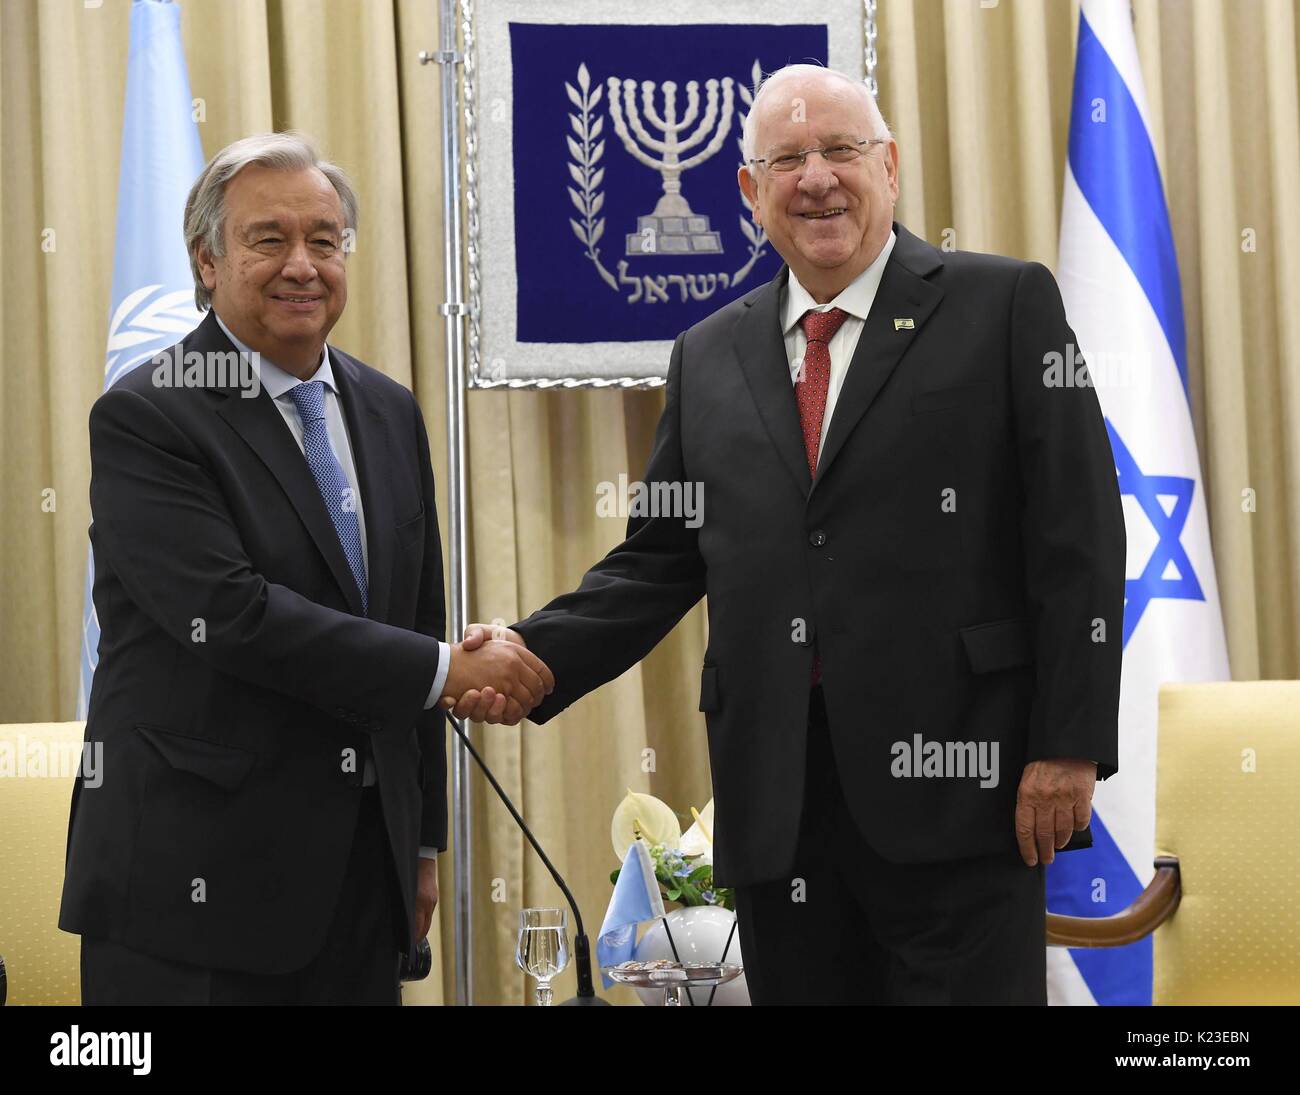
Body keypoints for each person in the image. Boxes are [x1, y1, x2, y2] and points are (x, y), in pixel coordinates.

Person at [444, 65, 1125, 1004]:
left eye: (841, 150)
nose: (816, 177)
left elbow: (1078, 534)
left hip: (962, 791)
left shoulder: (1003, 305)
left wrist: (1070, 744)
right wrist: (532, 651)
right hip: (778, 811)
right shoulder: (708, 351)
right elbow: (659, 557)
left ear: (888, 165)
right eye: (787, 158)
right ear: (747, 189)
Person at [61, 132, 552, 1005]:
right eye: (268, 239)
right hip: (193, 900)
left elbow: (410, 620)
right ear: (206, 262)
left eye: (324, 240)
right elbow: (235, 616)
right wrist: (448, 670)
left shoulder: (388, 409)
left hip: (363, 887)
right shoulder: (148, 414)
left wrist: (422, 844)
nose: (302, 265)